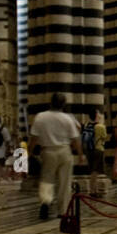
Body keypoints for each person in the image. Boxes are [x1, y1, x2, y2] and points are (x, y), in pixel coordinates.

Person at [29, 92, 82, 222]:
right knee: (64, 182)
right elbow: (75, 139)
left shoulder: (41, 117)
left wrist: (29, 152)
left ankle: (45, 203)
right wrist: (80, 154)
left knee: (47, 179)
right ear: (63, 104)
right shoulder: (67, 118)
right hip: (64, 151)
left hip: (48, 151)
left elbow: (34, 138)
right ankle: (63, 210)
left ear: (50, 102)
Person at [82, 109, 107, 198]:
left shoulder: (87, 125)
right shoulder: (100, 126)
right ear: (96, 115)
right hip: (98, 149)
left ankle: (94, 189)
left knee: (92, 170)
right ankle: (93, 190)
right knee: (95, 171)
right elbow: (104, 138)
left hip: (89, 150)